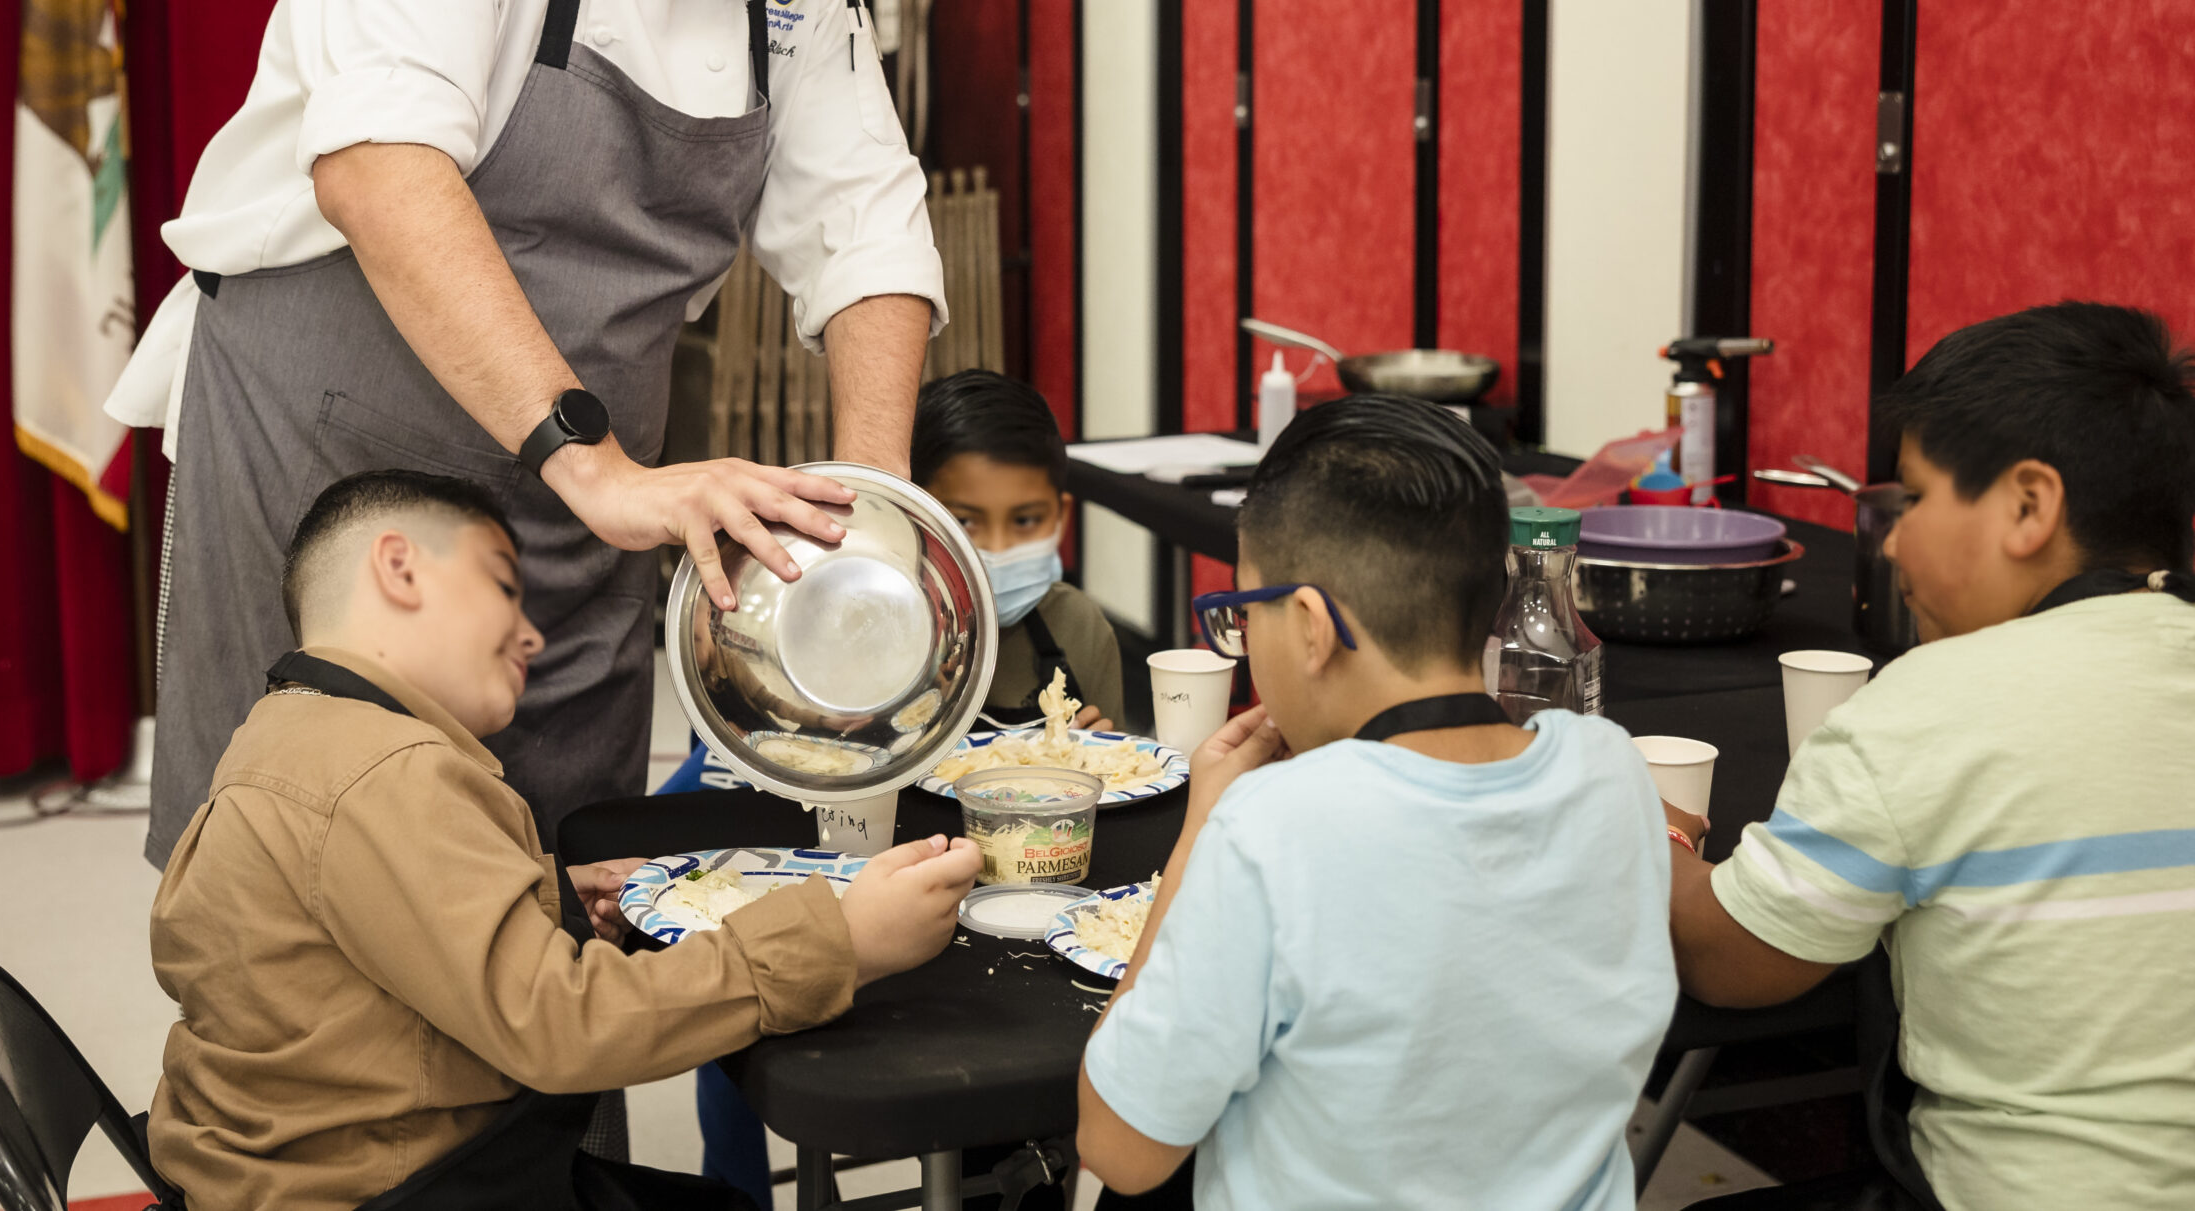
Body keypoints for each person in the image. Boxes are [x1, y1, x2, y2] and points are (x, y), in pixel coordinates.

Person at [109, 0, 951, 865]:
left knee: (562, 879)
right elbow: (379, 169)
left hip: (575, 513)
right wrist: (594, 466)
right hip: (336, 464)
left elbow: (866, 223)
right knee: (307, 870)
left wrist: (872, 521)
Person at [148, 468, 983, 1211]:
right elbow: (560, 1029)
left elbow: (359, 955)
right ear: (400, 568)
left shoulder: (288, 731)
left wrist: (542, 904)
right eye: (506, 587)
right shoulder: (387, 768)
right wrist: (842, 940)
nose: (532, 633)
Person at [1072, 395, 1676, 1209]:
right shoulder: (1613, 774)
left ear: (1312, 626)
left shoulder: (1270, 829)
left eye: (1244, 615)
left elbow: (1118, 1145)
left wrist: (1200, 836)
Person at [1662, 302, 2195, 1211]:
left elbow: (1730, 961)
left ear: (2030, 504)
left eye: (1915, 498)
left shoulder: (1933, 701)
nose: (1896, 537)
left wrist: (1654, 837)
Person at [914, 369, 1125, 729]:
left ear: (1061, 516)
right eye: (965, 522)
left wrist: (1097, 758)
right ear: (913, 514)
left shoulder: (1079, 626)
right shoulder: (880, 626)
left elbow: (1124, 770)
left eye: (1025, 521)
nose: (997, 550)